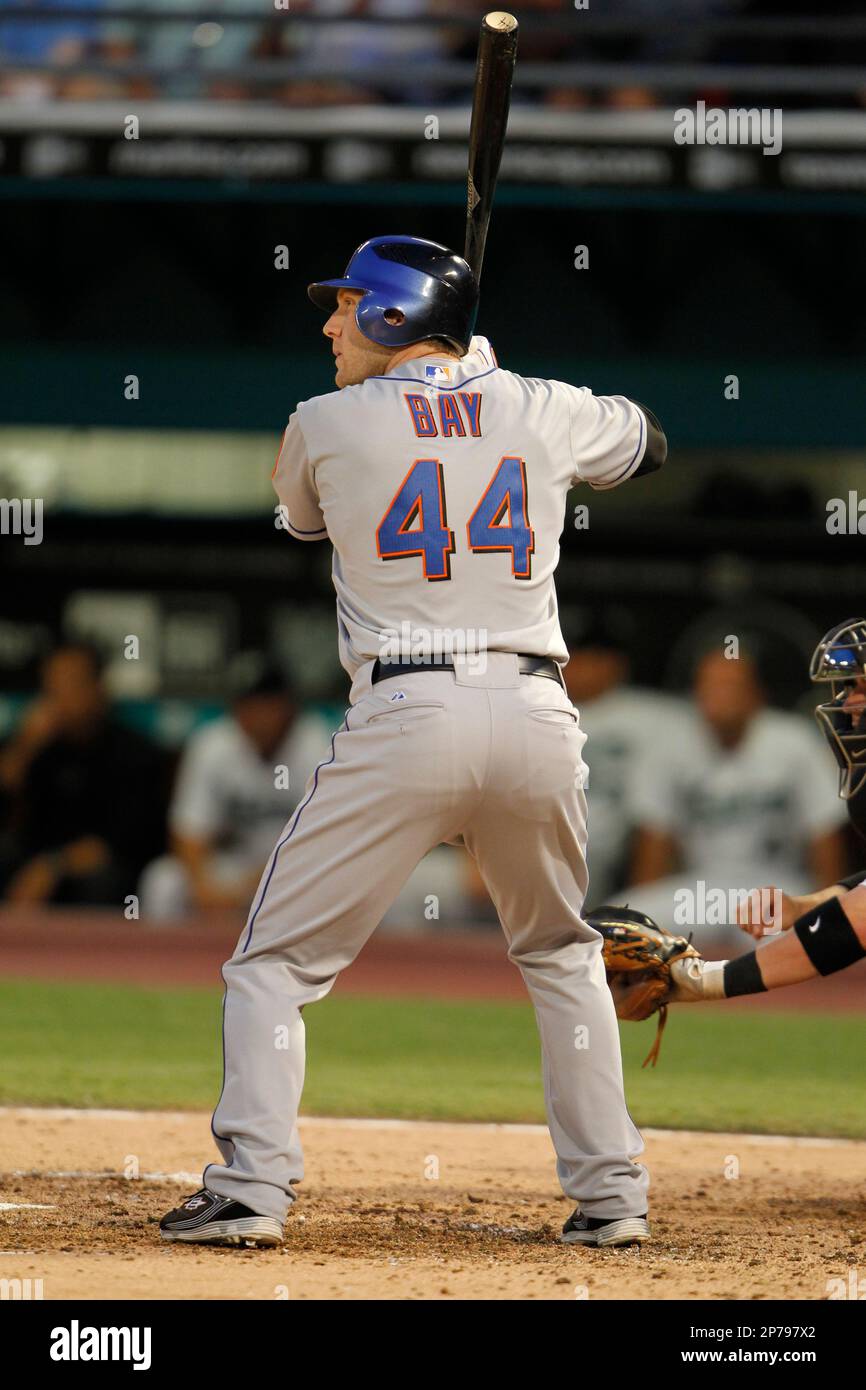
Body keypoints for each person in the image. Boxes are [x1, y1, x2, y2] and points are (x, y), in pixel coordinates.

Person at [159, 233, 667, 1250]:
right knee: (561, 955)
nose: (328, 324)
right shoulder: (545, 405)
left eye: (346, 306)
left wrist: (453, 397)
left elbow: (307, 520)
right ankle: (613, 1198)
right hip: (534, 715)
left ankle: (251, 1189)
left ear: (393, 316)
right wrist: (497, 391)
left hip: (407, 711)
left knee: (273, 967)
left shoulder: (323, 422)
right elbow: (648, 441)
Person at [661, 617, 866, 1007]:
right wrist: (806, 906)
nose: (847, 703)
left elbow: (859, 918)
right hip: (704, 884)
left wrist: (706, 980)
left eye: (859, 688)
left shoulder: (787, 744)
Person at [619, 646, 847, 951]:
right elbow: (653, 844)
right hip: (699, 892)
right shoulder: (667, 747)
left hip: (775, 888)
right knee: (622, 931)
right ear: (695, 693)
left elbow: (825, 836)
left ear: (757, 693)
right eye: (711, 686)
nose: (720, 695)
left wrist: (828, 915)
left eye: (732, 686)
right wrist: (642, 909)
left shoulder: (795, 743)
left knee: (798, 944)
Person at [138, 657, 331, 919]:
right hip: (235, 868)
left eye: (266, 704)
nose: (257, 716)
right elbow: (188, 832)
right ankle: (170, 960)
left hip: (298, 872)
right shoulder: (213, 745)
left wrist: (251, 888)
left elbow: (322, 843)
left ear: (288, 705)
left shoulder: (319, 746)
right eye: (247, 705)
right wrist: (203, 887)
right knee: (163, 881)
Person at [0, 642, 165, 906]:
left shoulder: (133, 753)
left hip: (95, 871)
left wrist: (52, 866)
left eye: (70, 684)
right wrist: (26, 747)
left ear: (97, 687)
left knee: (103, 880)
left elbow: (125, 843)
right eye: (51, 687)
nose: (59, 696)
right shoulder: (34, 746)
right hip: (35, 861)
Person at [563, 615, 685, 908]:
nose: (575, 667)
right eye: (571, 657)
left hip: (601, 845)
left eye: (590, 658)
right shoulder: (536, 707)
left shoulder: (654, 715)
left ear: (615, 664)